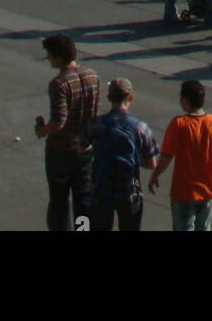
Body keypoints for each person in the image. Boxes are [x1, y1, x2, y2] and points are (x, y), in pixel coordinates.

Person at [148, 80, 212, 232]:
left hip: (184, 191)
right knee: (204, 227)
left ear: (185, 101)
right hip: (208, 190)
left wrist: (155, 174)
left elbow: (166, 157)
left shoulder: (178, 124)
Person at [35, 34, 101, 230]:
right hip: (85, 148)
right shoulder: (92, 75)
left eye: (49, 55)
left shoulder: (59, 83)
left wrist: (42, 130)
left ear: (59, 57)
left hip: (61, 151)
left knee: (59, 201)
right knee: (83, 200)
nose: (48, 58)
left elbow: (59, 122)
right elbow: (95, 115)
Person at [88, 79, 159, 232]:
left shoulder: (96, 123)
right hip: (128, 190)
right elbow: (152, 163)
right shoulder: (140, 127)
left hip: (101, 188)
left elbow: (81, 146)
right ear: (130, 97)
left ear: (109, 98)